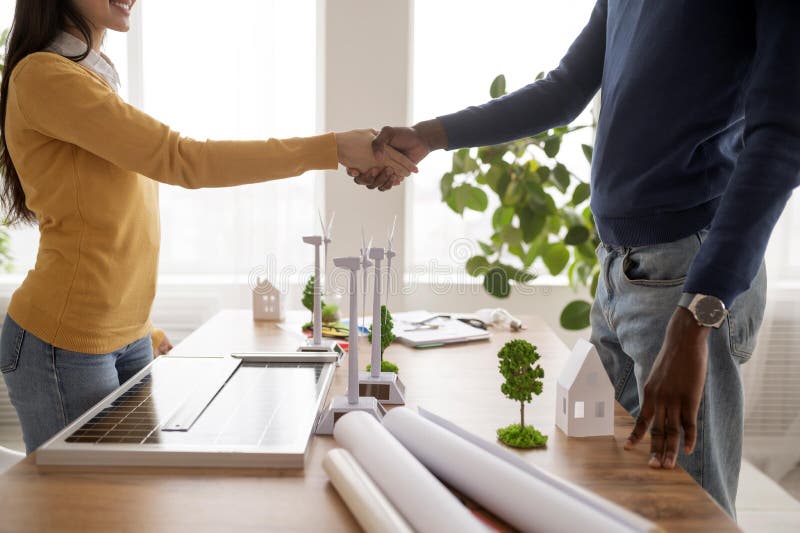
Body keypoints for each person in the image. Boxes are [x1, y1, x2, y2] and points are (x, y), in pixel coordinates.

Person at [351, 0, 800, 517]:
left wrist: (698, 312)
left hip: (689, 278)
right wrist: (429, 135)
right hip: (620, 272)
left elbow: (782, 139)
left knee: (689, 513)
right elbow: (565, 89)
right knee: (607, 490)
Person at [0, 0, 416, 454]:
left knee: (129, 508)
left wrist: (141, 325)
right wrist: (331, 148)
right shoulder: (46, 77)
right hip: (65, 346)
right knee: (84, 515)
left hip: (126, 336)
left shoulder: (92, 75)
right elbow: (184, 160)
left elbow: (111, 225)